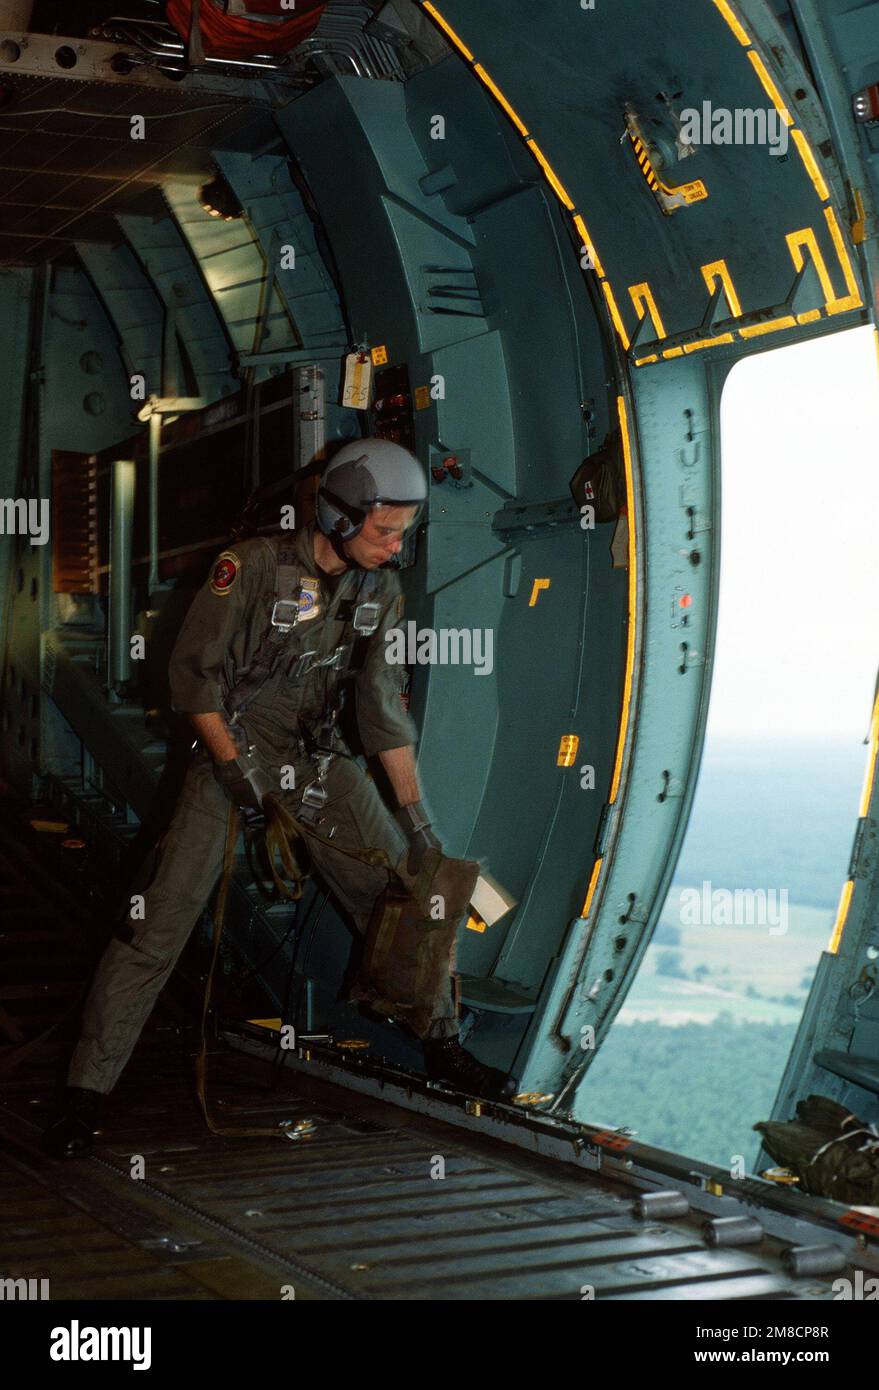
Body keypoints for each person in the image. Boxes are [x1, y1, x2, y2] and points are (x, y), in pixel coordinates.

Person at [44, 439, 515, 1159]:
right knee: (159, 923)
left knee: (412, 897)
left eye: (403, 533)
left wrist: (418, 825)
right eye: (383, 530)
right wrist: (245, 783)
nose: (394, 547)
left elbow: (381, 710)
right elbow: (193, 683)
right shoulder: (254, 568)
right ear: (337, 514)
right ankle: (84, 1093)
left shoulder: (375, 592)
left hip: (319, 765)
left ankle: (444, 1046)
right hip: (230, 757)